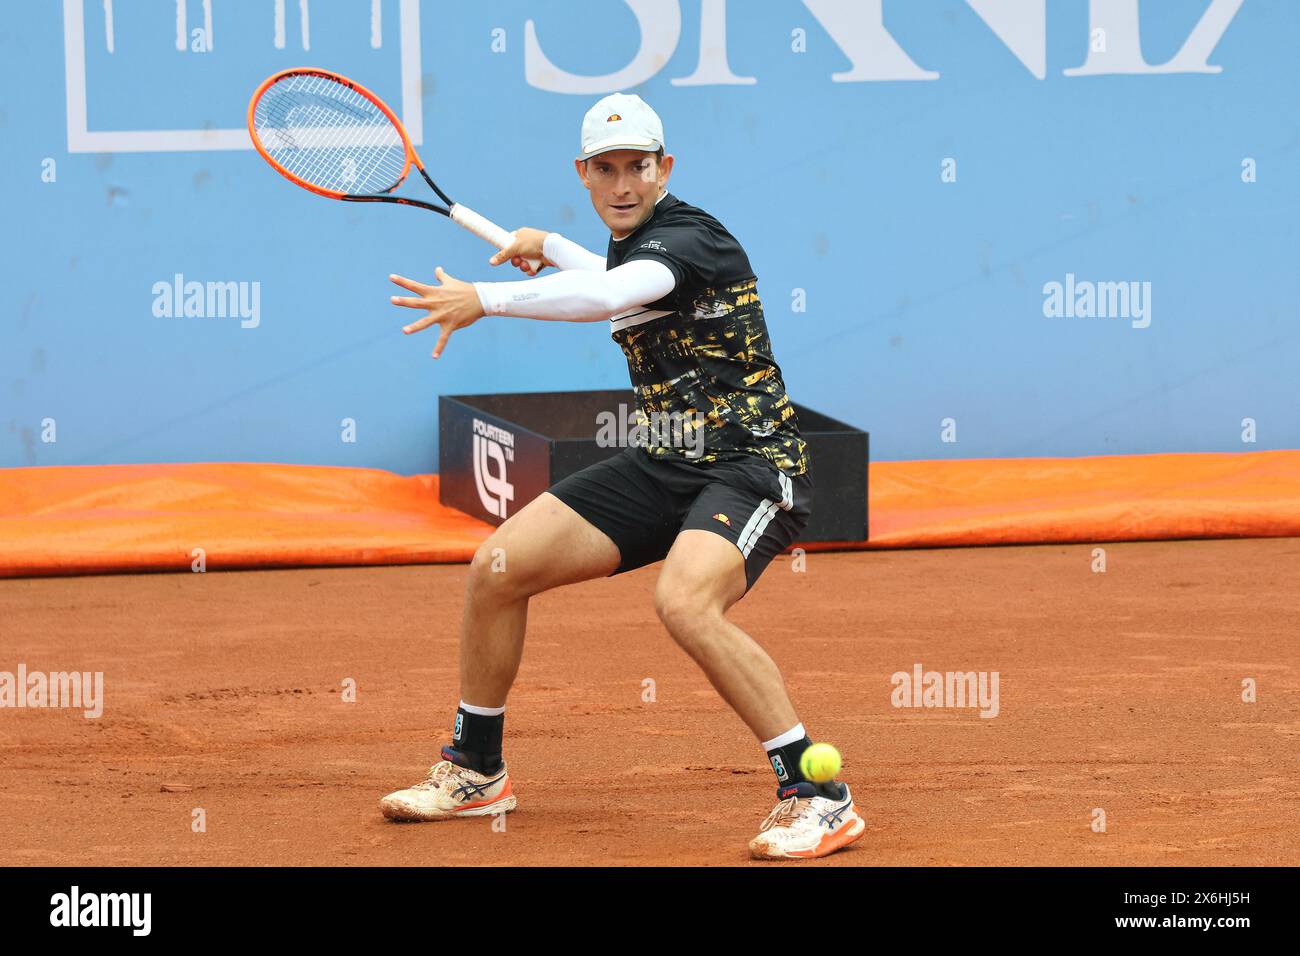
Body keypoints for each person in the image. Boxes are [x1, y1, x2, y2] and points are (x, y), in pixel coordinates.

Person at [380, 93, 864, 860]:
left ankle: (815, 791)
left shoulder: (693, 238)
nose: (622, 184)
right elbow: (620, 287)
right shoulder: (636, 245)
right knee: (497, 566)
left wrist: (488, 299)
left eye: (637, 166)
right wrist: (558, 248)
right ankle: (477, 769)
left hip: (752, 466)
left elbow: (611, 296)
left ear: (663, 167)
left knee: (684, 602)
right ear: (583, 173)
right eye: (605, 169)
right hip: (665, 460)